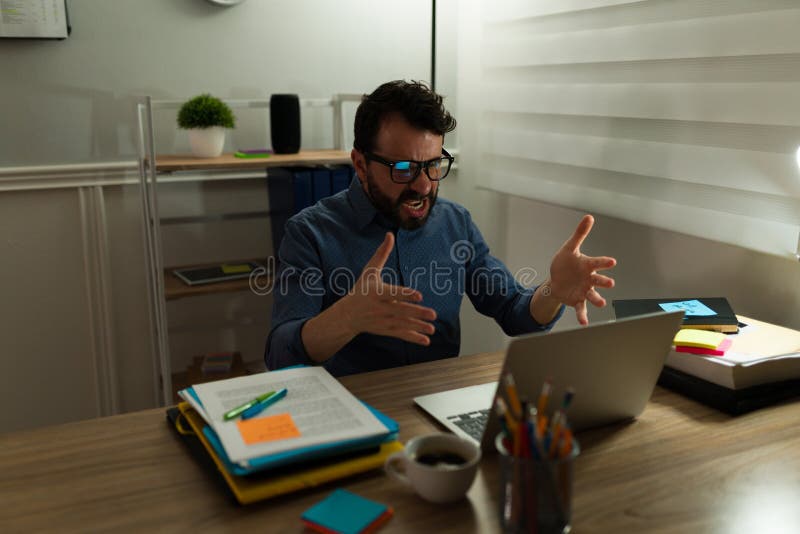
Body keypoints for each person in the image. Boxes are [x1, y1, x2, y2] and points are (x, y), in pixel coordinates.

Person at [265, 80, 616, 376]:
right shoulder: (310, 233)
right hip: (355, 416)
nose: (423, 186)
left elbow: (514, 311)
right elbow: (281, 356)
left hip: (439, 409)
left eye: (433, 164)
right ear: (360, 164)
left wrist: (554, 290)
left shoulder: (455, 223)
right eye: (403, 168)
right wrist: (346, 318)